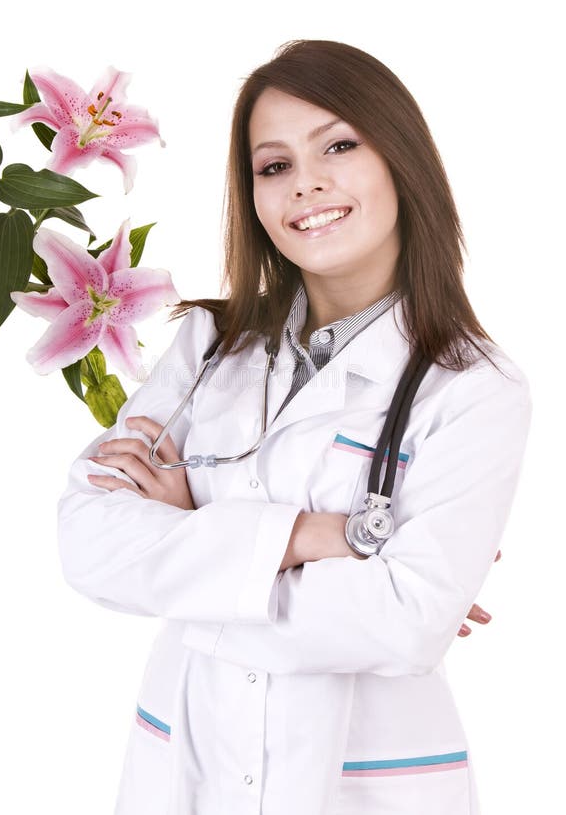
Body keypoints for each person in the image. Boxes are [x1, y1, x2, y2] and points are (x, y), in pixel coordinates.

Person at [57, 40, 532, 815]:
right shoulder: (208, 348)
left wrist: (192, 543)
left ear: (401, 160)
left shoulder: (475, 387)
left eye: (338, 146)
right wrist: (311, 538)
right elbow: (89, 542)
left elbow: (405, 626)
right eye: (273, 166)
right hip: (184, 765)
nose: (304, 184)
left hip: (367, 784)